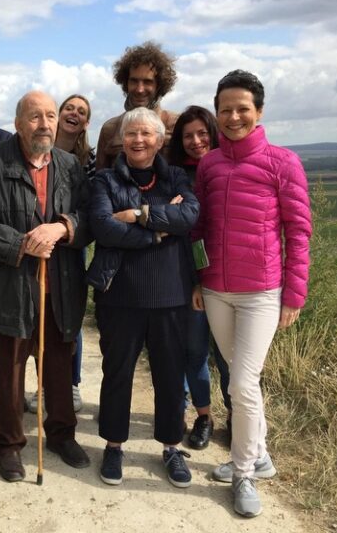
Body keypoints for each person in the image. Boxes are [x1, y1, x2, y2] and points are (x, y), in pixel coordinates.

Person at [193, 70, 312, 517]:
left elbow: (299, 231)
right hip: (216, 290)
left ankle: (243, 472)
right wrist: (196, 281)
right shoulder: (209, 165)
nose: (234, 116)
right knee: (243, 384)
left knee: (242, 383)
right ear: (217, 113)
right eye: (225, 109)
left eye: (243, 108)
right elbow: (200, 228)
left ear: (258, 111)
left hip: (262, 291)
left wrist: (293, 294)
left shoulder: (283, 162)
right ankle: (258, 454)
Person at [0, 90, 92, 482]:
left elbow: (90, 216)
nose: (45, 123)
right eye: (35, 116)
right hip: (10, 286)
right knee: (10, 368)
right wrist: (22, 244)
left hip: (60, 287)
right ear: (18, 123)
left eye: (51, 116)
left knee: (59, 364)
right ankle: (10, 446)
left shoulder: (70, 165)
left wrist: (64, 226)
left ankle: (62, 435)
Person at [88, 107, 199, 488]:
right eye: (131, 134)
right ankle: (114, 445)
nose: (138, 141)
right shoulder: (104, 180)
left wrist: (135, 214)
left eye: (146, 134)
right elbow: (103, 228)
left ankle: (171, 447)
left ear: (159, 140)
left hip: (171, 293)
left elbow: (189, 218)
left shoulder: (178, 178)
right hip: (119, 294)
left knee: (170, 375)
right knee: (117, 373)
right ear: (122, 139)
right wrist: (155, 230)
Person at [167, 105, 232, 449]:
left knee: (229, 357)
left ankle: (238, 418)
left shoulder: (228, 169)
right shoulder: (174, 176)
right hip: (190, 279)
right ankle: (203, 417)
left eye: (202, 133)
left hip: (228, 279)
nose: (196, 141)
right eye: (188, 135)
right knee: (194, 352)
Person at [26, 94, 95, 415]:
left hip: (68, 245)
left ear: (85, 122)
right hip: (37, 244)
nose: (74, 114)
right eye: (69, 108)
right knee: (42, 315)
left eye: (81, 112)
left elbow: (88, 205)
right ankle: (44, 385)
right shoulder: (35, 146)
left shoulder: (86, 159)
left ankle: (71, 383)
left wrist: (64, 228)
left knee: (68, 315)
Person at [96, 41, 178, 170]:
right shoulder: (109, 129)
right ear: (125, 83)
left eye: (147, 82)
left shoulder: (177, 124)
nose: (140, 89)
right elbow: (99, 177)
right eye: (134, 81)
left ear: (159, 85)